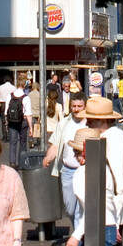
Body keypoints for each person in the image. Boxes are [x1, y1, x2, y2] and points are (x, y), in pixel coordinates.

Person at [65, 97, 123, 246]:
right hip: (108, 215)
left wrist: (116, 223)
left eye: (90, 120)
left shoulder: (112, 138)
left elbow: (118, 183)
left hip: (107, 215)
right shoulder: (111, 136)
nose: (87, 123)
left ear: (101, 121)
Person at [43, 94, 87, 234]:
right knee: (70, 208)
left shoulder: (90, 123)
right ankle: (79, 232)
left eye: (79, 106)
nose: (76, 109)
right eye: (73, 106)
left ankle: (80, 237)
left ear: (85, 106)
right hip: (68, 170)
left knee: (83, 206)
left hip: (86, 170)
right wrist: (49, 157)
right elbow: (55, 144)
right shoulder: (64, 123)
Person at [4, 83, 32, 168]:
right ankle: (21, 162)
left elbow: (6, 112)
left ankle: (12, 162)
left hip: (12, 121)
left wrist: (6, 122)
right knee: (23, 143)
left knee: (13, 142)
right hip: (22, 121)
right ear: (24, 86)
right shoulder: (26, 97)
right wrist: (31, 127)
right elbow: (28, 114)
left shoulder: (10, 96)